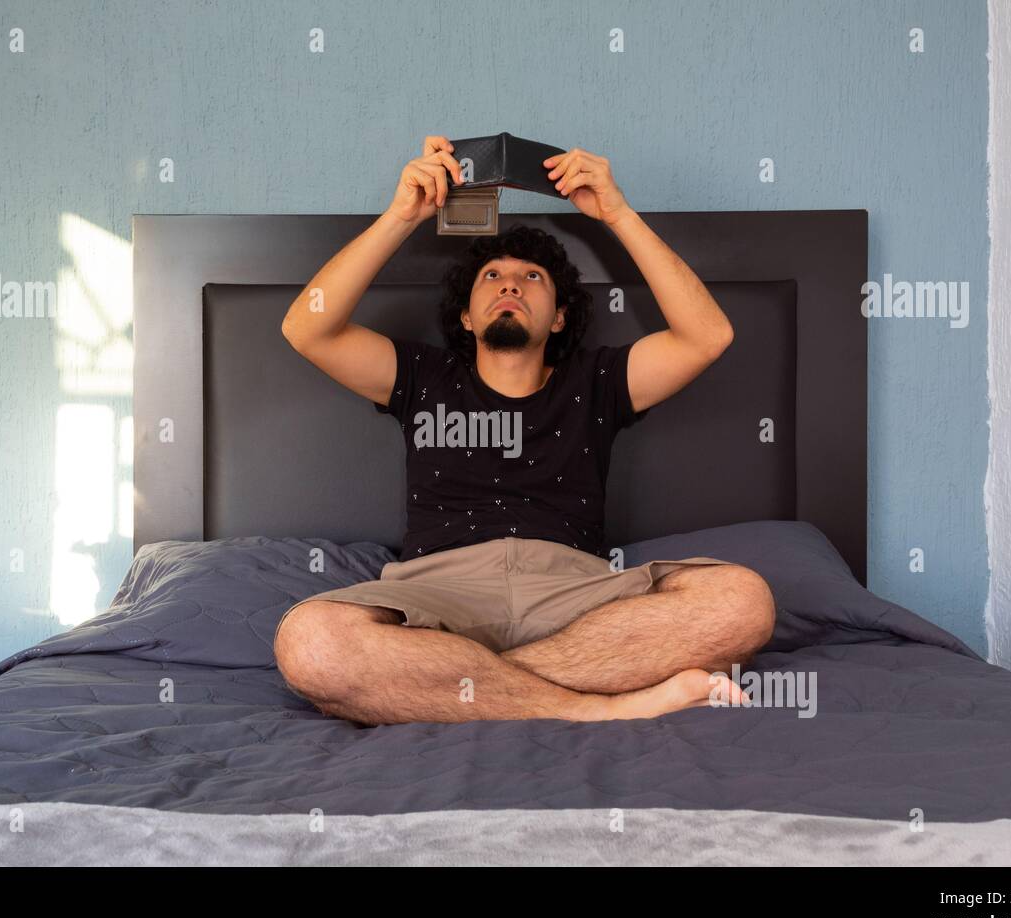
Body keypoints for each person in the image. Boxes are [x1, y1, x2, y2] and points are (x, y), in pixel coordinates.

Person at [274, 134, 775, 725]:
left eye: (532, 277)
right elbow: (307, 330)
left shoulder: (600, 380)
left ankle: (468, 684)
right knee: (310, 642)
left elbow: (707, 336)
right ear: (466, 314)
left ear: (560, 315)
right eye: (492, 275)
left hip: (576, 598)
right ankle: (604, 709)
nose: (510, 284)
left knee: (742, 601)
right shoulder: (421, 376)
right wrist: (401, 214)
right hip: (437, 595)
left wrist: (616, 210)